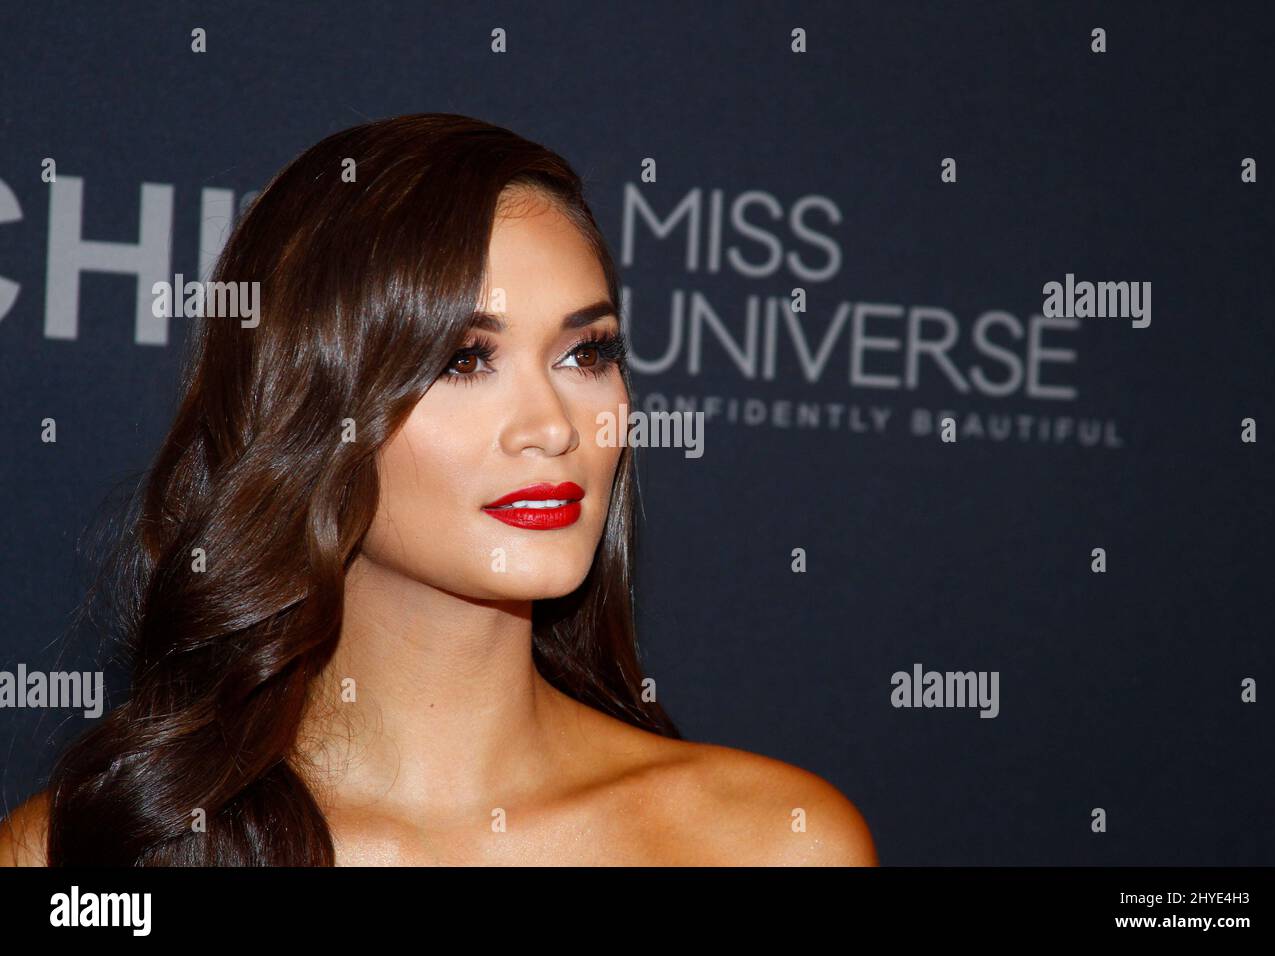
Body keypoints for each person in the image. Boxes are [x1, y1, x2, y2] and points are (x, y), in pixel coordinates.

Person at [0, 113, 877, 866]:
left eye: (587, 353)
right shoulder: (84, 857)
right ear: (308, 411)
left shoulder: (772, 841)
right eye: (464, 360)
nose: (553, 426)